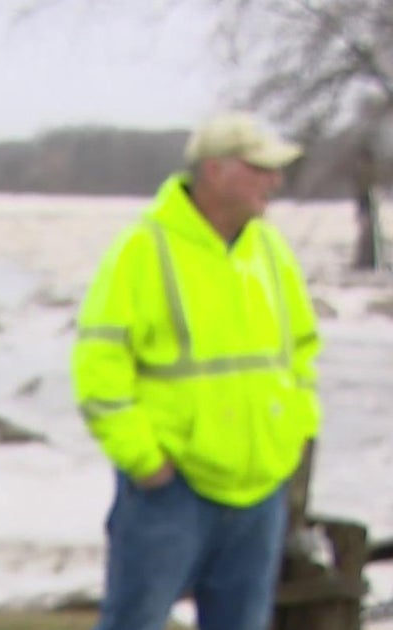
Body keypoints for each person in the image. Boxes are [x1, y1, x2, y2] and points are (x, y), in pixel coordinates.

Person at [71, 111, 321, 630]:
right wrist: (144, 461)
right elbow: (99, 370)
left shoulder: (270, 250)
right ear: (215, 171)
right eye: (260, 169)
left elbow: (301, 349)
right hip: (171, 492)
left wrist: (296, 430)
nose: (274, 182)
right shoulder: (142, 251)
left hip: (259, 490)